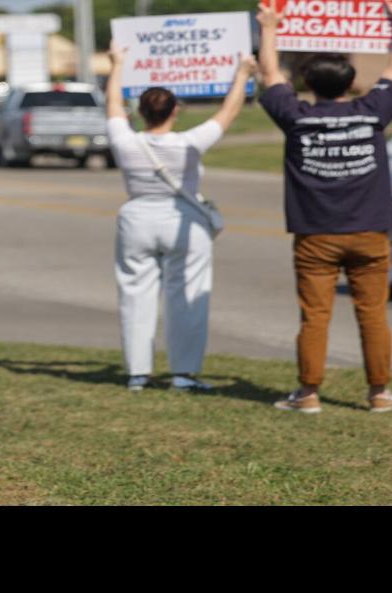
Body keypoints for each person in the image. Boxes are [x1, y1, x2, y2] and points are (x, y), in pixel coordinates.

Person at [257, 0, 392, 414]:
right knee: (374, 315)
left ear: (308, 83)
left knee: (315, 316)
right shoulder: (372, 112)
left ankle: (308, 394)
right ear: (350, 83)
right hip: (370, 234)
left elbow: (270, 73)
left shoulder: (296, 116)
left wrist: (270, 27)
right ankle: (380, 393)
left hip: (315, 236)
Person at [104, 49, 257, 392]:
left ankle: (137, 373)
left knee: (134, 295)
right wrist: (243, 73)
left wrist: (117, 66)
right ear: (175, 111)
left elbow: (112, 105)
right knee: (187, 295)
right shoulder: (188, 143)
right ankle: (183, 373)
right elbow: (228, 112)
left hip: (137, 217)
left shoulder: (125, 141)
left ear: (140, 113)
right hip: (182, 220)